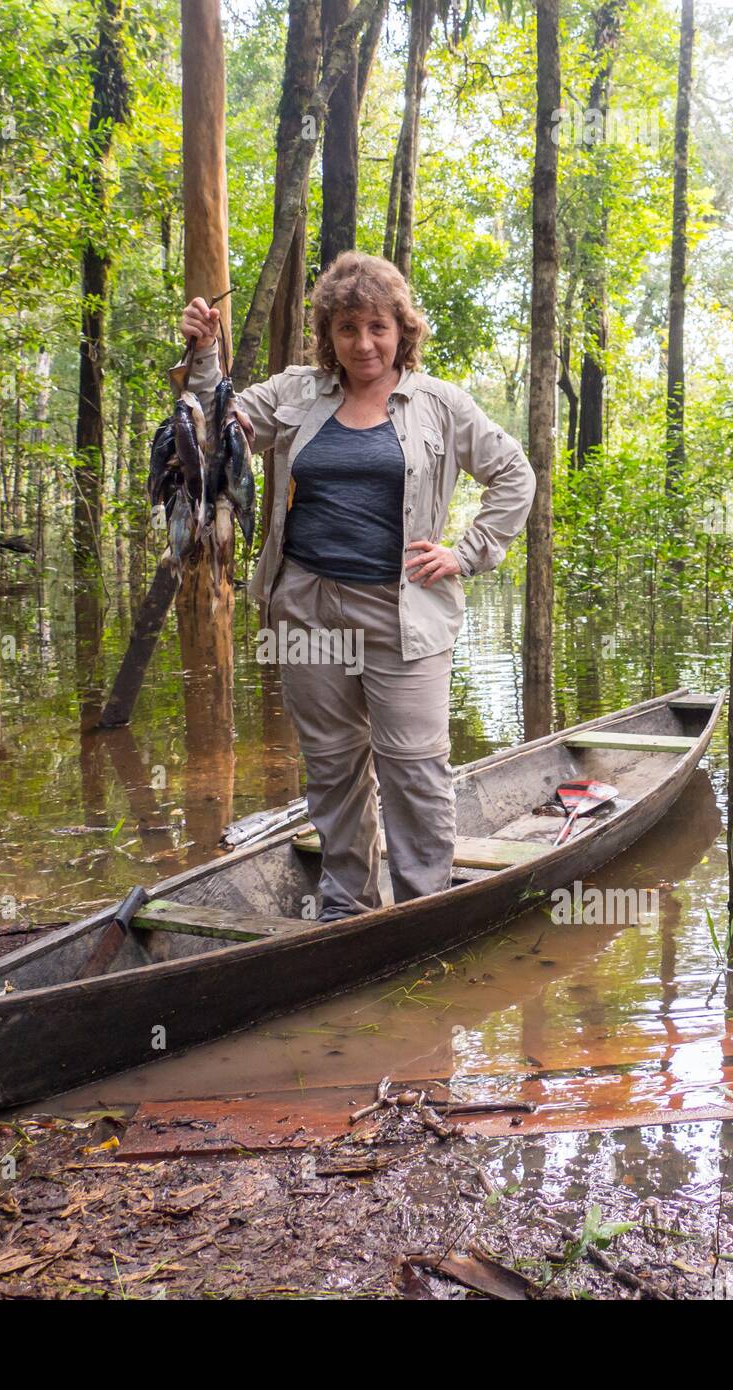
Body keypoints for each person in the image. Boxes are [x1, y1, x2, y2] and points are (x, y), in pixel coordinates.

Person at [178, 250, 534, 921]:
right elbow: (213, 426)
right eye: (347, 329)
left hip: (405, 611)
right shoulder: (298, 392)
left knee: (414, 767)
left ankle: (424, 906)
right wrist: (205, 354)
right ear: (328, 336)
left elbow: (514, 474)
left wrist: (468, 553)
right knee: (334, 764)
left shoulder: (439, 406)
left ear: (402, 329)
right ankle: (347, 905)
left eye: (377, 326)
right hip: (307, 605)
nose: (363, 343)